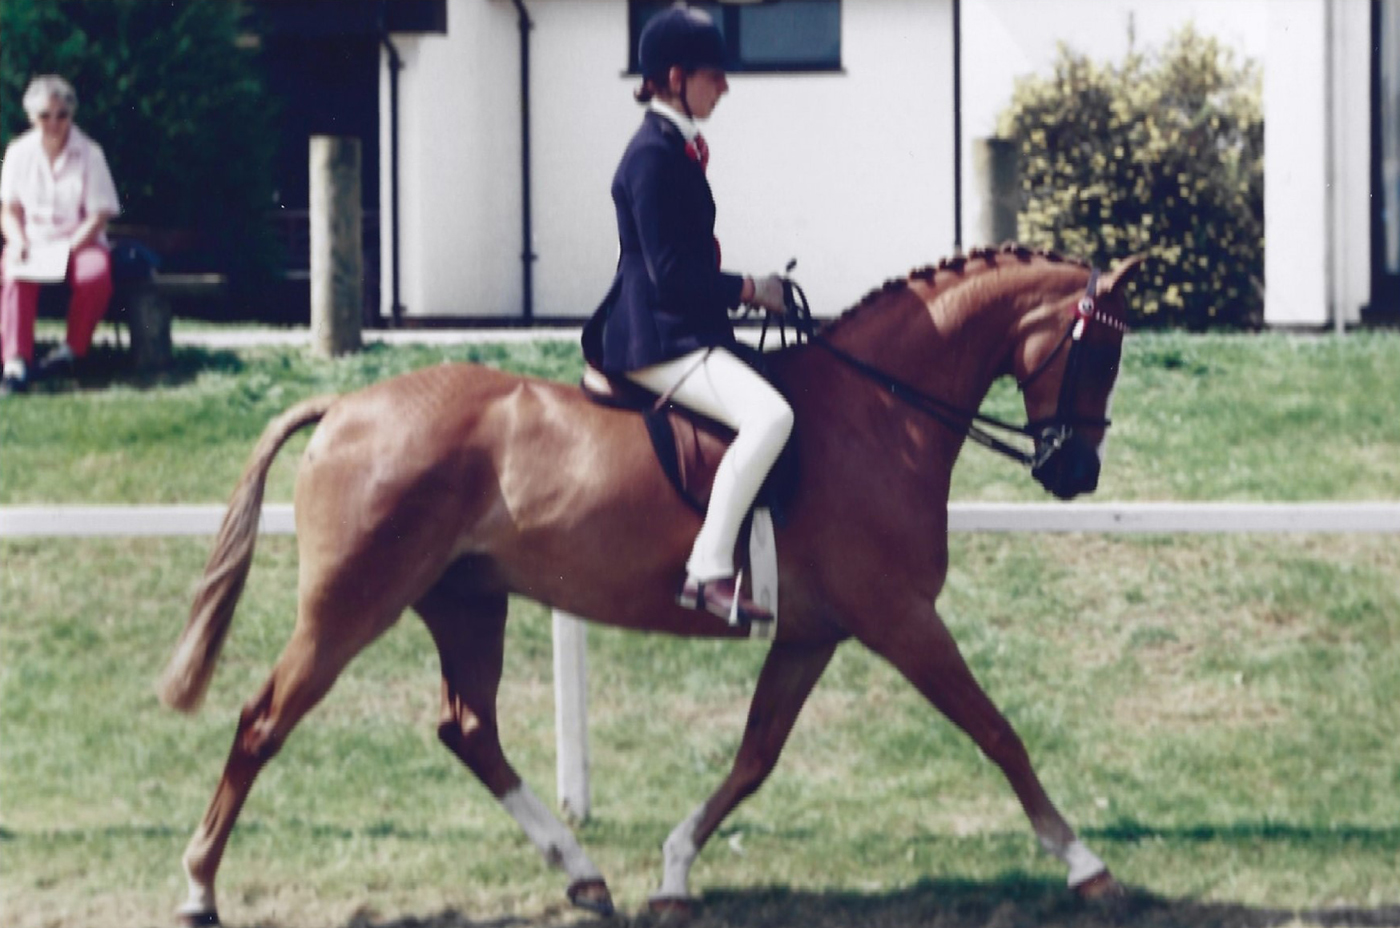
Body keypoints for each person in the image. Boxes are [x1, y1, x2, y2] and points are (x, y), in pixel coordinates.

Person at [582, 6, 793, 626]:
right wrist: (752, 288)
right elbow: (669, 275)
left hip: (680, 328)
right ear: (676, 77)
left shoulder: (675, 149)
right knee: (769, 417)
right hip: (657, 339)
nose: (724, 86)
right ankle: (706, 571)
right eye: (714, 75)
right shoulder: (652, 156)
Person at [1, 74, 120, 395]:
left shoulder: (90, 154)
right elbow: (9, 211)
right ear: (30, 116)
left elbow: (98, 216)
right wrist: (18, 241)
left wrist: (68, 249)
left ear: (72, 114)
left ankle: (70, 353)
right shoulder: (17, 153)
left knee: (94, 276)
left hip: (79, 241)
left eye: (62, 115)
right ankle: (15, 363)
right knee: (13, 272)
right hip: (33, 241)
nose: (54, 123)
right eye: (44, 116)